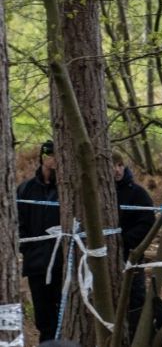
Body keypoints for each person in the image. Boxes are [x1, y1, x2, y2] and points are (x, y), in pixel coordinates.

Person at [17, 140, 61, 341]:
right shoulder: (25, 190)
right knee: (44, 317)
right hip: (37, 264)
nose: (55, 162)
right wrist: (27, 247)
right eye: (51, 157)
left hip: (62, 263)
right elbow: (18, 222)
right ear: (43, 158)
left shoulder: (68, 188)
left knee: (65, 312)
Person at [111, 150, 156, 338]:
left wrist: (125, 240)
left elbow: (148, 222)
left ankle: (138, 337)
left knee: (135, 298)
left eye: (120, 165)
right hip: (105, 257)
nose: (117, 170)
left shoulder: (137, 193)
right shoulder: (100, 192)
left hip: (132, 255)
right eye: (113, 165)